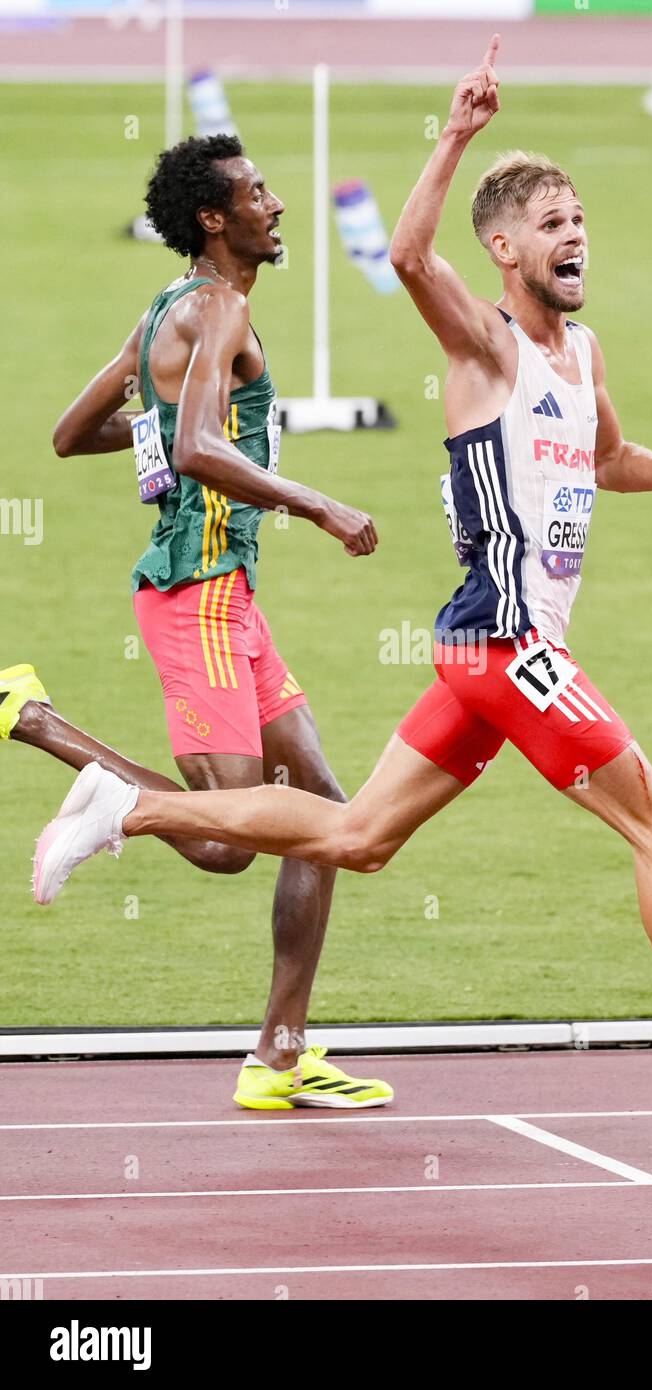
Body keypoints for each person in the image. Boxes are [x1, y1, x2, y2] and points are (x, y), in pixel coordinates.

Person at [32, 44, 652, 1122]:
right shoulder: (485, 343)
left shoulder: (583, 353)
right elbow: (413, 254)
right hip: (509, 644)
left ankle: (126, 808)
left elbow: (607, 461)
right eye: (553, 222)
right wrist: (456, 128)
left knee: (358, 836)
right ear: (504, 248)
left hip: (480, 654)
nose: (575, 237)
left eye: (580, 220)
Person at [4, 134, 393, 1112]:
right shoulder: (214, 308)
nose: (280, 206)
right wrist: (317, 503)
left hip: (226, 593)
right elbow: (198, 444)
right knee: (228, 841)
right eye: (259, 193)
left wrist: (160, 436)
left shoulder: (168, 311)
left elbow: (69, 435)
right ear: (215, 220)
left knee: (322, 813)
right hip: (195, 597)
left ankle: (280, 1051)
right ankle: (43, 728)